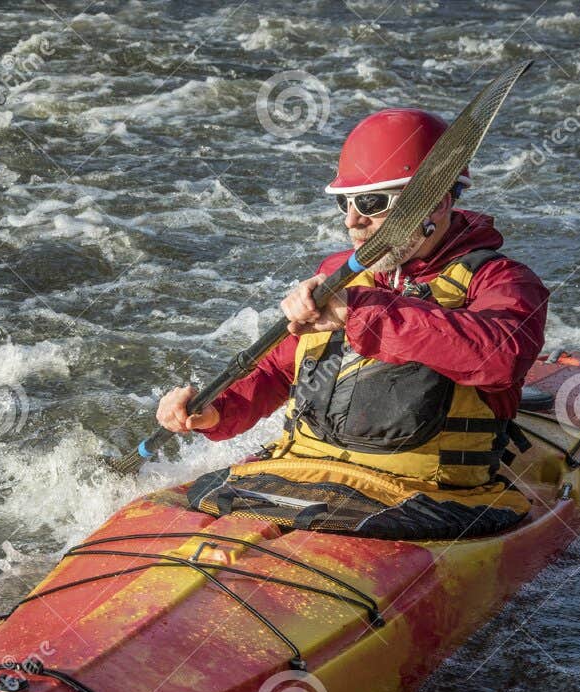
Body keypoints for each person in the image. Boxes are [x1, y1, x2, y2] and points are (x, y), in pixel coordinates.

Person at [156, 108, 549, 538]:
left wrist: (363, 314)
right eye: (345, 202)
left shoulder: (503, 282)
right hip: (301, 474)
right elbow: (277, 371)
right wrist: (218, 410)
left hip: (426, 496)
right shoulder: (338, 273)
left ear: (437, 201)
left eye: (372, 203)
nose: (352, 221)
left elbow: (500, 357)